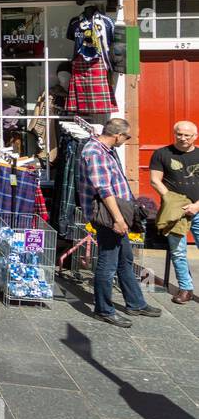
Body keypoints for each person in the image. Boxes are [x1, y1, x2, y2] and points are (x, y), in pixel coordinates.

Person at [77, 118, 162, 327]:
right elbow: (104, 190)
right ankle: (104, 309)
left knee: (125, 259)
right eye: (127, 137)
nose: (127, 140)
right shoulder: (94, 152)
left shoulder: (106, 150)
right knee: (108, 262)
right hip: (108, 216)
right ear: (118, 135)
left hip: (118, 213)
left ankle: (135, 303)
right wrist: (118, 219)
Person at [149, 120, 199, 305]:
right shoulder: (162, 154)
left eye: (187, 135)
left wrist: (196, 206)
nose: (183, 138)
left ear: (195, 136)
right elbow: (155, 180)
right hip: (174, 212)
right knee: (178, 252)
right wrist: (174, 201)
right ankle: (185, 288)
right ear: (174, 133)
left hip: (198, 209)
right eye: (179, 134)